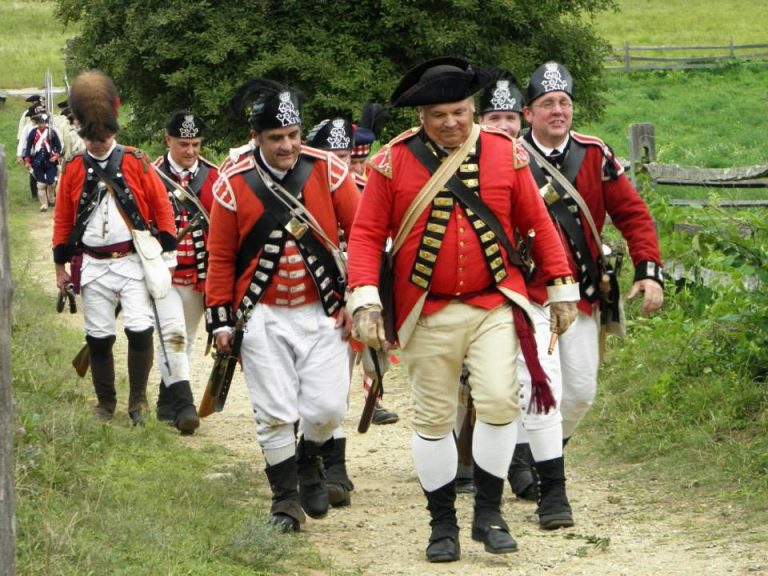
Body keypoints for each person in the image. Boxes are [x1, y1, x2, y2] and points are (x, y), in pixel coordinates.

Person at [346, 56, 579, 563]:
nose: (451, 122)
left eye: (460, 111)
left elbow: (536, 222)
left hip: (496, 302)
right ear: (421, 118)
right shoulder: (391, 162)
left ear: (472, 108)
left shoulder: (505, 153)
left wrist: (561, 288)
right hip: (426, 310)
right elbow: (366, 235)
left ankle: (489, 514)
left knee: (499, 401)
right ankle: (443, 524)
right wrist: (364, 296)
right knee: (433, 419)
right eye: (439, 115)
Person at [205, 78, 360, 533]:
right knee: (274, 412)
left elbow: (363, 233)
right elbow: (220, 257)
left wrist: (360, 298)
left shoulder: (328, 171)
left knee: (328, 410)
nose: (288, 145)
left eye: (293, 135)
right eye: (276, 138)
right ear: (257, 138)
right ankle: (285, 500)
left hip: (323, 310)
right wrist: (220, 321)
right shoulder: (233, 185)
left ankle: (310, 461)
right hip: (263, 315)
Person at [520, 61, 664, 527]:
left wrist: (648, 270)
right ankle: (553, 491)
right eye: (548, 104)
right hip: (528, 294)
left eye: (564, 102)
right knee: (542, 391)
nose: (558, 111)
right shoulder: (507, 155)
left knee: (580, 393)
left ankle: (541, 454)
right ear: (529, 113)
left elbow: (633, 215)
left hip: (581, 292)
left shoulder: (595, 153)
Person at [52, 70, 177, 425]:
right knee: (99, 336)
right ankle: (105, 404)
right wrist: (61, 268)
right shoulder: (75, 168)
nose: (98, 143)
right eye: (92, 137)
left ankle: (138, 402)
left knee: (139, 329)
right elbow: (62, 220)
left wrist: (165, 254)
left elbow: (161, 207)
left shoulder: (136, 161)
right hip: (93, 265)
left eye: (103, 136)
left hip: (131, 261)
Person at [455, 69, 540, 501]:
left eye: (511, 117)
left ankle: (517, 461)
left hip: (525, 288)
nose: (504, 126)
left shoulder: (535, 161)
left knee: (510, 382)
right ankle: (462, 457)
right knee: (463, 380)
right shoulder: (463, 159)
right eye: (494, 117)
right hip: (472, 284)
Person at [307, 116, 400, 430]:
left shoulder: (366, 188)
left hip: (359, 283)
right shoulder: (301, 192)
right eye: (332, 157)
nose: (340, 165)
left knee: (370, 345)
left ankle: (371, 399)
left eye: (345, 157)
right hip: (318, 289)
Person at [151, 110, 219, 434]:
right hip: (162, 275)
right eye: (183, 144)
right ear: (168, 141)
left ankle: (167, 405)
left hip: (197, 276)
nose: (190, 151)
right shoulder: (150, 176)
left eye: (195, 144)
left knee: (186, 340)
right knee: (172, 336)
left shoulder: (215, 178)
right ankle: (186, 405)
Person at [22, 112, 62, 212]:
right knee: (40, 184)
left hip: (50, 162)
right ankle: (44, 204)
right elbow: (28, 148)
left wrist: (56, 156)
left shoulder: (51, 132)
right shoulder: (33, 133)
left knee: (51, 182)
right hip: (37, 162)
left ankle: (51, 199)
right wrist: (27, 160)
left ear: (46, 123)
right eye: (39, 123)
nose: (41, 125)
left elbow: (58, 146)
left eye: (43, 123)